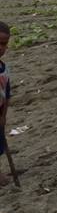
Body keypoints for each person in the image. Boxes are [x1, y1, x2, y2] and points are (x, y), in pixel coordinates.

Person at [0, 22, 11, 187]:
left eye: (4, 44)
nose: (0, 48)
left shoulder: (4, 69)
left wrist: (3, 115)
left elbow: (7, 94)